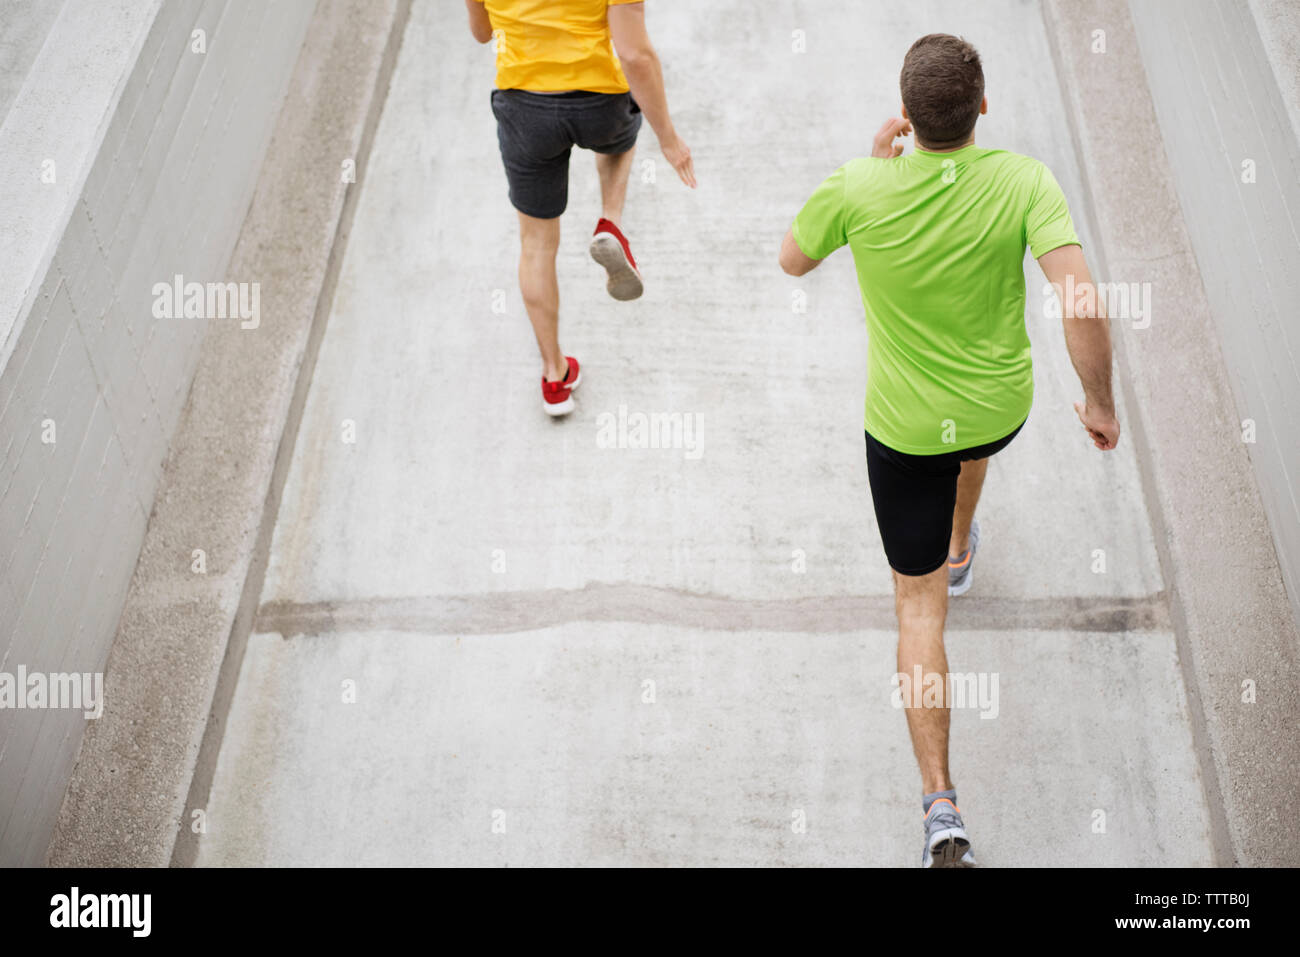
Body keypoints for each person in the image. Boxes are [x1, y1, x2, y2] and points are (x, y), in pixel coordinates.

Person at [779, 33, 1119, 867]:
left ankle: (940, 805)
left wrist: (871, 176)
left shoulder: (860, 186)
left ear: (906, 115)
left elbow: (792, 260)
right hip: (997, 408)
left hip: (901, 428)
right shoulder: (1024, 180)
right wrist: (1101, 401)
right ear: (984, 106)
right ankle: (962, 541)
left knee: (918, 608)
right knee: (967, 445)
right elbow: (1078, 295)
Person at [465, 0, 696, 416]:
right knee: (621, 137)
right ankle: (610, 221)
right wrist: (669, 138)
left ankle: (554, 376)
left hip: (524, 109)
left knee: (536, 245)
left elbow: (482, 33)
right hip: (599, 104)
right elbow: (634, 55)